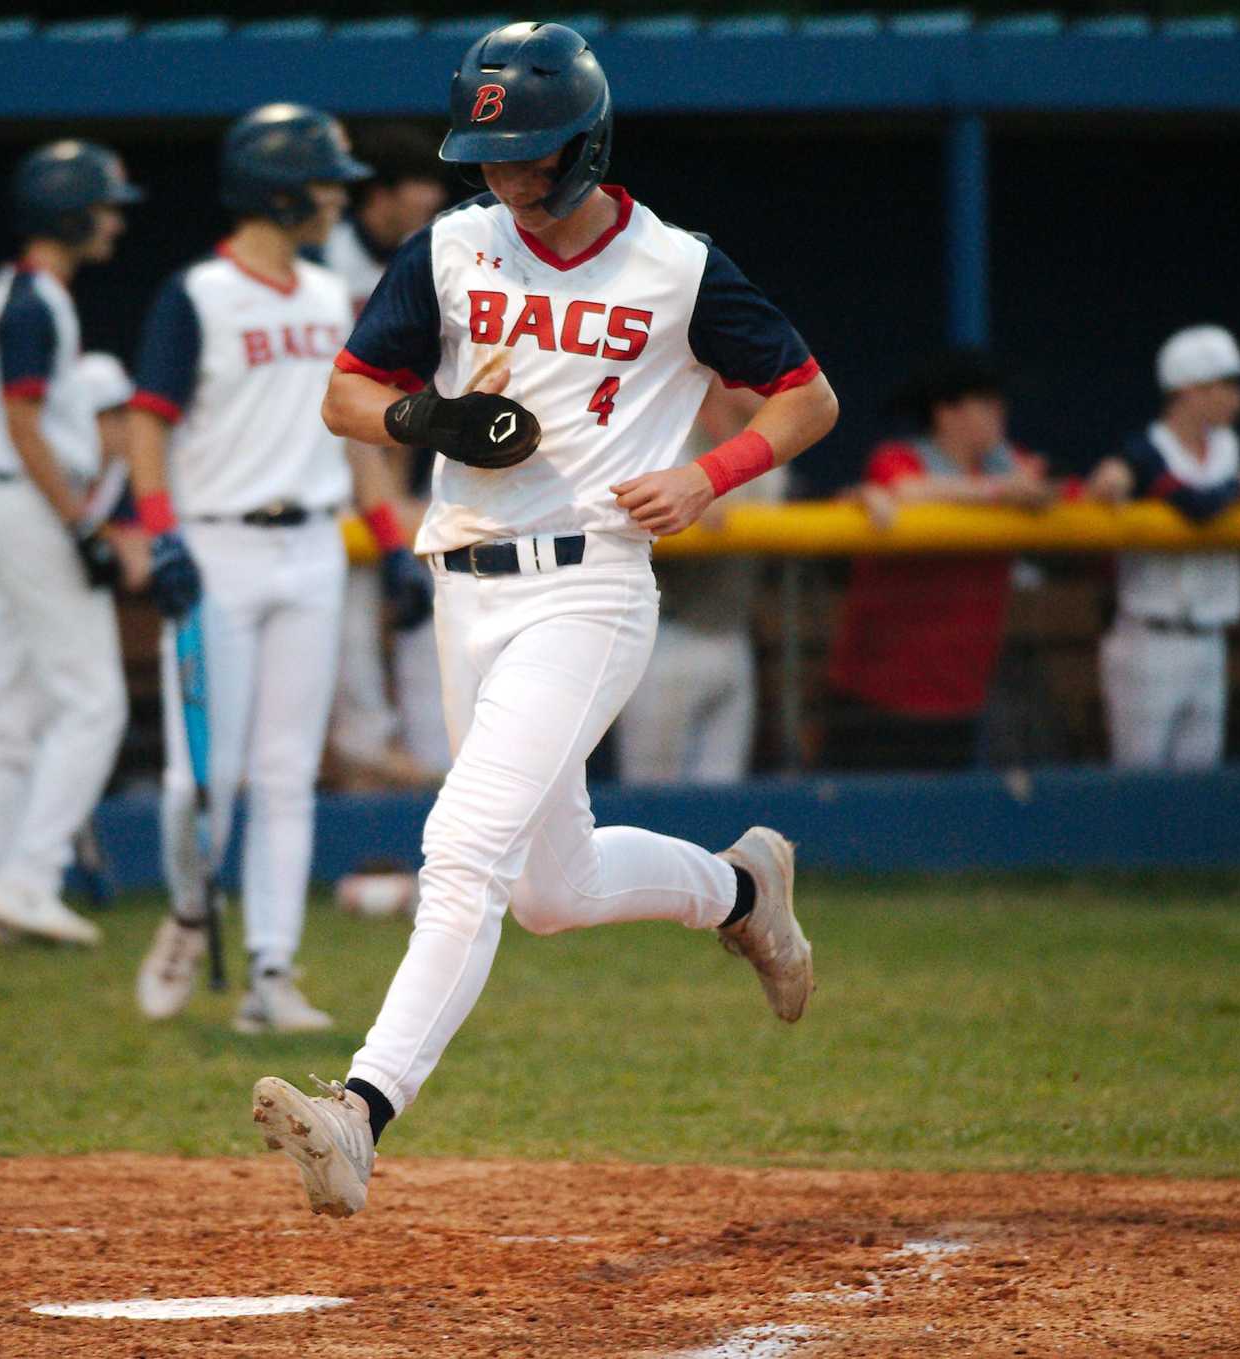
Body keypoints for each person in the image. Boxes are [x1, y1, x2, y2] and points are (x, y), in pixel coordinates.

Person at [251, 22, 837, 1218]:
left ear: (585, 143)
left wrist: (707, 475)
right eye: (491, 154)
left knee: (462, 850)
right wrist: (429, 420)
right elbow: (346, 396)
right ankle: (740, 893)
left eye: (530, 151)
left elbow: (805, 397)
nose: (507, 175)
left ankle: (360, 1111)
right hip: (465, 585)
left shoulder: (673, 267)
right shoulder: (451, 245)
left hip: (591, 586)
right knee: (551, 892)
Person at [128, 104, 429, 1032]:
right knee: (200, 780)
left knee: (288, 771)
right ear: (281, 188)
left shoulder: (329, 297)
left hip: (310, 548)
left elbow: (355, 432)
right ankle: (190, 911)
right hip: (216, 545)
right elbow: (148, 422)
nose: (339, 198)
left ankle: (270, 970)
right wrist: (160, 533)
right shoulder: (199, 295)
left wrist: (389, 539)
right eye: (326, 182)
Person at [0, 141, 145, 947]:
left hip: (10, 503)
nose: (114, 222)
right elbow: (22, 423)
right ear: (67, 214)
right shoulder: (31, 301)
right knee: (94, 703)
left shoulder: (29, 296)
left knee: (7, 712)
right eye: (103, 208)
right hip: (34, 506)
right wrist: (80, 521)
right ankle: (28, 879)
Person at [1087, 325, 1240, 770]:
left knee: (1199, 786)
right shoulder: (1145, 450)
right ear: (1189, 390)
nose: (1238, 398)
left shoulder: (1232, 449)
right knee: (1139, 785)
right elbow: (1192, 504)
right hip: (1149, 640)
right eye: (1227, 385)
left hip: (1211, 641)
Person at [821, 352, 1054, 771]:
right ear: (946, 411)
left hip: (960, 694)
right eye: (984, 402)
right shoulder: (899, 458)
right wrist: (1000, 491)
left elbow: (1058, 491)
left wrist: (1030, 487)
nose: (999, 412)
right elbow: (904, 490)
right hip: (877, 694)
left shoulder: (1009, 464)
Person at [321, 125, 453, 791]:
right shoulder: (324, 263)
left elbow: (412, 386)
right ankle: (369, 765)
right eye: (419, 184)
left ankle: (434, 772)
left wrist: (395, 497)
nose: (433, 198)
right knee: (348, 650)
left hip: (390, 473)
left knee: (430, 625)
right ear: (380, 193)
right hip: (321, 477)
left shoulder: (425, 258)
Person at [614, 378, 779, 784]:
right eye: (756, 376)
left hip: (733, 636)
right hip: (665, 638)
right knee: (650, 798)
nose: (770, 385)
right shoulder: (668, 439)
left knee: (720, 796)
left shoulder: (768, 449)